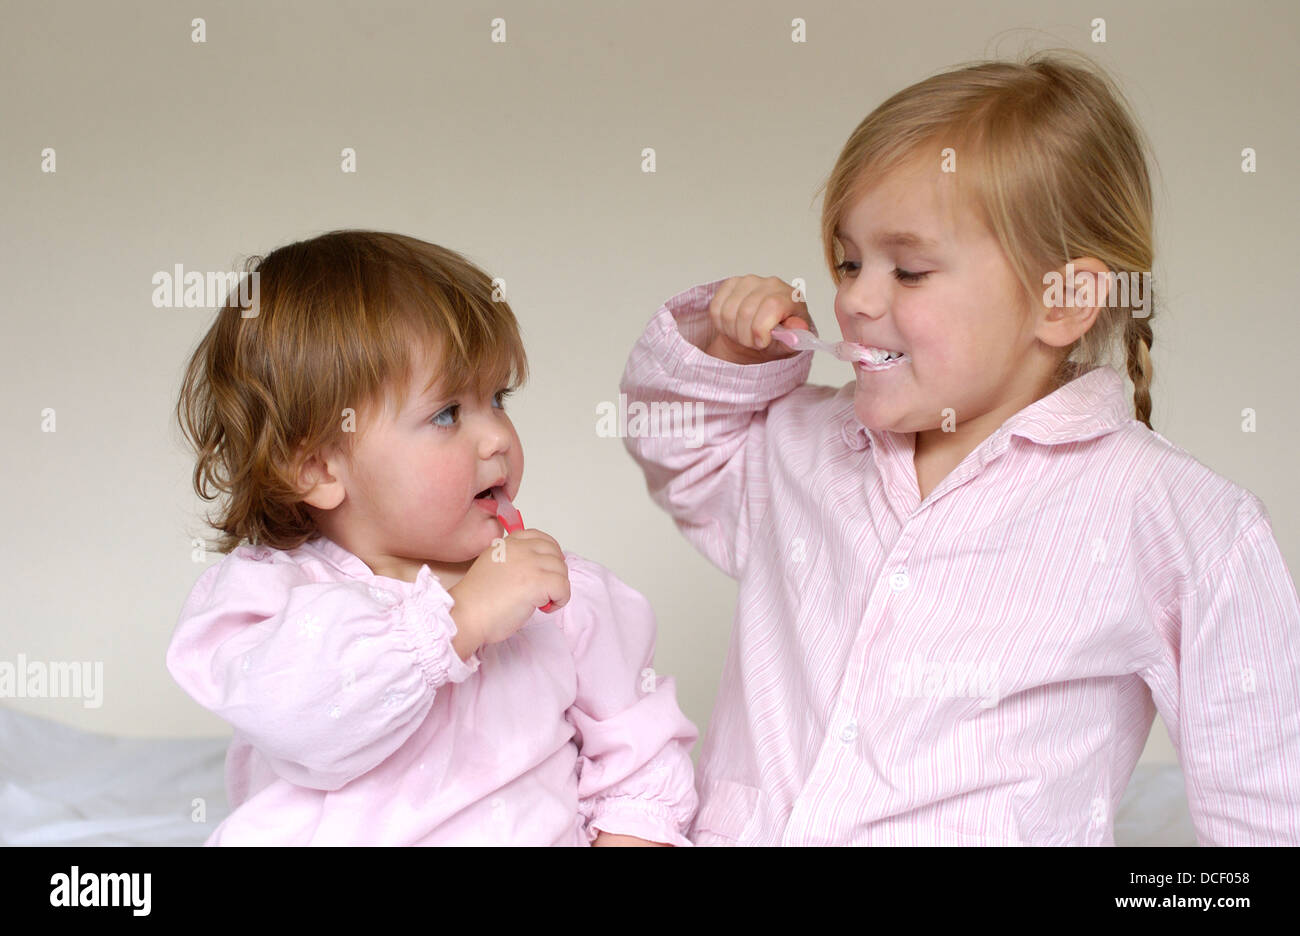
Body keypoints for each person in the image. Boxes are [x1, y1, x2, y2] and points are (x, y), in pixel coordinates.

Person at [620, 52, 1300, 845]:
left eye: (908, 271)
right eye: (847, 260)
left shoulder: (1180, 520)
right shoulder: (799, 445)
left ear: (1066, 301)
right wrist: (730, 353)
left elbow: (1267, 804)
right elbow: (677, 444)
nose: (855, 299)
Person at [168, 230, 698, 845]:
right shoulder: (276, 598)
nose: (497, 436)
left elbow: (642, 764)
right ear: (316, 468)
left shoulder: (557, 596)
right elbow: (306, 724)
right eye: (446, 413)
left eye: (497, 398)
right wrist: (457, 620)